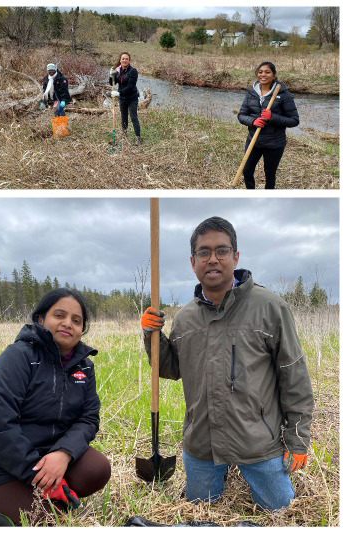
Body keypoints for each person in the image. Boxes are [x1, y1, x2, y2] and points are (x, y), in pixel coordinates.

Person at [141, 216, 313, 511]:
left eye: (221, 251)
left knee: (281, 508)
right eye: (204, 252)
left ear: (235, 257)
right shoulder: (185, 318)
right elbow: (170, 370)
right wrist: (151, 335)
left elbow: (293, 375)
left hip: (258, 442)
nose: (213, 259)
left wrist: (297, 439)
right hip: (201, 442)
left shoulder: (270, 307)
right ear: (192, 262)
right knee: (199, 505)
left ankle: (251, 471)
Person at [0, 289, 111, 525]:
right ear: (41, 319)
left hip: (51, 453)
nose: (67, 324)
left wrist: (63, 453)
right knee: (50, 523)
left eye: (76, 320)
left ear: (82, 329)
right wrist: (37, 474)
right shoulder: (19, 357)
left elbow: (89, 418)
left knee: (97, 469)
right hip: (2, 464)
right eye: (59, 315)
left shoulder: (85, 367)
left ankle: (47, 492)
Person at [236, 61, 299, 189]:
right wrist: (253, 121)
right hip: (254, 141)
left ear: (274, 75)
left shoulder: (284, 95)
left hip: (274, 143)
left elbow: (294, 120)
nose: (263, 75)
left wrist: (272, 117)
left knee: (269, 175)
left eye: (267, 72)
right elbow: (241, 115)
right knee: (247, 170)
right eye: (260, 72)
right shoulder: (251, 93)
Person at [109, 52, 141, 145]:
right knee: (123, 116)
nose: (124, 60)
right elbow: (111, 83)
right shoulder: (118, 70)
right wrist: (111, 75)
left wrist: (118, 93)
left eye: (126, 59)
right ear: (120, 60)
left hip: (132, 97)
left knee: (133, 117)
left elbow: (131, 86)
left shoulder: (133, 71)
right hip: (122, 98)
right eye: (123, 59)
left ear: (129, 60)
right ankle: (124, 133)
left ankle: (138, 138)